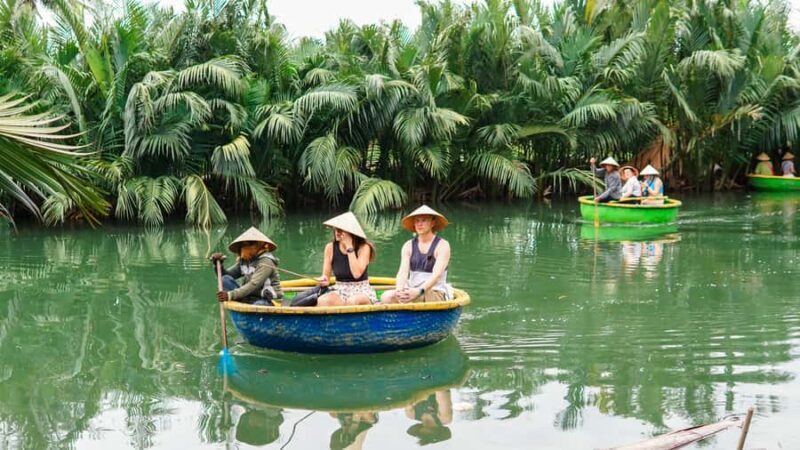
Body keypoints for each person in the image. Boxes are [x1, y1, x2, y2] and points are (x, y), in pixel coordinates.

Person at [380, 205, 453, 304]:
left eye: (424, 220)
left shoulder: (442, 245)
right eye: (417, 221)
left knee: (414, 298)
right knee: (386, 297)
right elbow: (403, 272)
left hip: (435, 292)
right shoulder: (408, 245)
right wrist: (399, 291)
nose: (419, 224)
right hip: (412, 289)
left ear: (433, 223)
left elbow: (437, 275)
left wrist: (419, 291)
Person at [316, 212, 377, 306]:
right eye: (336, 229)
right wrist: (323, 280)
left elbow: (356, 274)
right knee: (323, 301)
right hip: (339, 289)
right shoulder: (330, 247)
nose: (337, 232)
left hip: (361, 290)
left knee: (352, 302)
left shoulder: (364, 248)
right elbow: (326, 278)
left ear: (350, 232)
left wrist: (349, 246)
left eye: (341, 230)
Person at [211, 227, 282, 305]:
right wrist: (218, 265)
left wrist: (230, 295)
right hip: (248, 297)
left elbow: (253, 284)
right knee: (225, 279)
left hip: (267, 299)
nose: (243, 249)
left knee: (259, 305)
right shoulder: (245, 261)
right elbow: (225, 275)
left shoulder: (266, 261)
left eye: (246, 246)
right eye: (242, 246)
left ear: (258, 245)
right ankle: (243, 303)